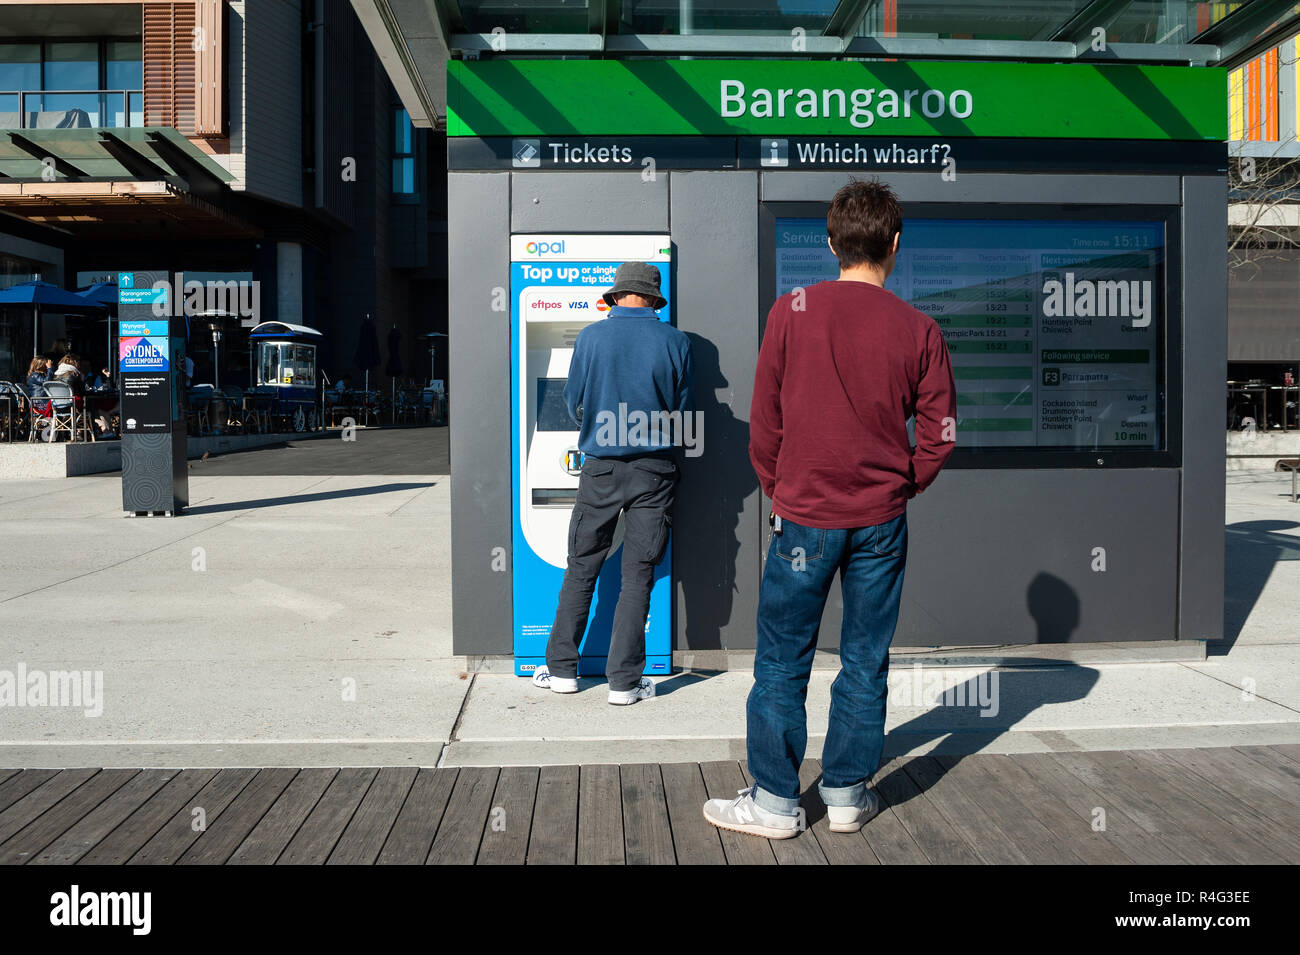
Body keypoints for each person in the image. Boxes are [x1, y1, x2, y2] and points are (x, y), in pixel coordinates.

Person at [704, 179, 957, 839]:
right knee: (867, 656)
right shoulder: (920, 328)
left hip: (803, 516)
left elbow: (765, 423)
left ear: (830, 243)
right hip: (882, 520)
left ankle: (776, 802)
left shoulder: (793, 310)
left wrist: (782, 486)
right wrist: (907, 482)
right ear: (895, 246)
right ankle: (845, 791)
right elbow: (941, 431)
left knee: (784, 658)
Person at [531, 261, 693, 706]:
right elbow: (682, 410)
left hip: (601, 468)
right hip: (654, 471)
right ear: (653, 299)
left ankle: (563, 671)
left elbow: (572, 401)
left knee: (582, 564)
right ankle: (623, 684)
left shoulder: (591, 337)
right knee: (638, 575)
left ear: (617, 296)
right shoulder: (675, 341)